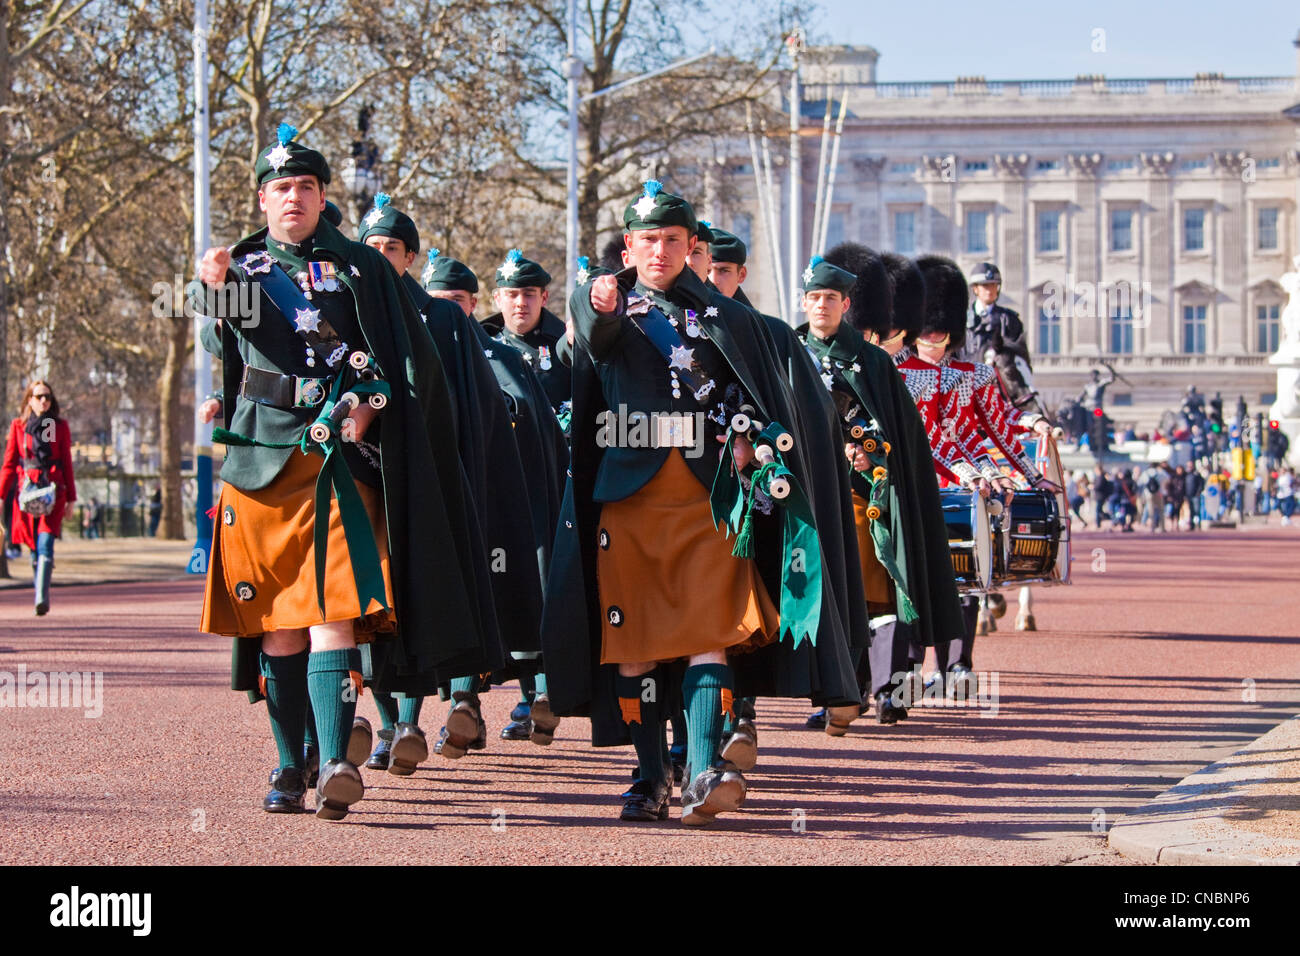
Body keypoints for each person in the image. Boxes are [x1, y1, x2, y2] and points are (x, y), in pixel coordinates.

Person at [195, 122, 495, 821]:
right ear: (263, 201)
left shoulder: (361, 268)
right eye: (280, 188)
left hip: (339, 458)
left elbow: (398, 367)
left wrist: (369, 408)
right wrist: (213, 289)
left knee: (332, 612)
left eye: (304, 186)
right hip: (262, 458)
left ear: (322, 195)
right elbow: (225, 339)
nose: (292, 198)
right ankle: (290, 764)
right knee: (277, 627)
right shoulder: (241, 267)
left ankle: (336, 761)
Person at [544, 180, 861, 826]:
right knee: (636, 648)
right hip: (627, 500)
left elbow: (754, 401)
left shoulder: (727, 319)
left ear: (692, 246)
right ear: (627, 247)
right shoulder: (603, 302)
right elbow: (592, 333)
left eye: (671, 240)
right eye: (645, 240)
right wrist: (599, 299)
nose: (658, 252)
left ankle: (705, 767)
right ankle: (649, 773)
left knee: (708, 638)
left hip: (712, 501)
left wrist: (750, 442)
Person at [0, 380, 76, 615]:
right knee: (33, 546)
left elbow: (65, 461)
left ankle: (41, 597)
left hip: (53, 490)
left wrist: (72, 498)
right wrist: (1, 495)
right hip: (27, 492)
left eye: (48, 397)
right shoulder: (18, 426)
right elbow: (10, 464)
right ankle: (39, 590)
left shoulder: (57, 426)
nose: (44, 401)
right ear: (30, 400)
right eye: (39, 396)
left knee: (45, 542)